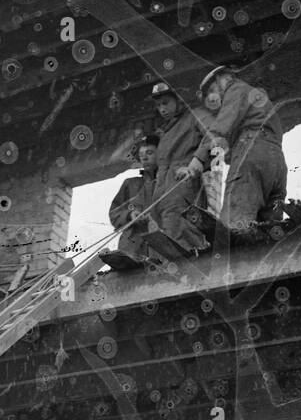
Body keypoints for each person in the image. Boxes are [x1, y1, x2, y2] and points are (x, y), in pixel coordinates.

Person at [179, 66, 287, 237]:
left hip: (252, 152)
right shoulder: (255, 98)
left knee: (233, 228)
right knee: (268, 233)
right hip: (277, 163)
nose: (216, 98)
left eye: (213, 90)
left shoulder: (235, 89)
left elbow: (220, 129)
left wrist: (197, 160)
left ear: (223, 78)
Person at [149, 80, 214, 257]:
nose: (162, 109)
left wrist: (196, 162)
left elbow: (213, 135)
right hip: (161, 196)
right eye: (158, 105)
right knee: (162, 243)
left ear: (178, 100)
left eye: (165, 103)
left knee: (181, 237)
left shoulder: (195, 116)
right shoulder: (165, 133)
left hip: (182, 190)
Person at [99, 135, 165, 269]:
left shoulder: (167, 183)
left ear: (161, 154)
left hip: (160, 249)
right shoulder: (131, 184)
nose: (144, 157)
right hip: (132, 248)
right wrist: (130, 215)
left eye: (150, 153)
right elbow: (114, 214)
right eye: (141, 154)